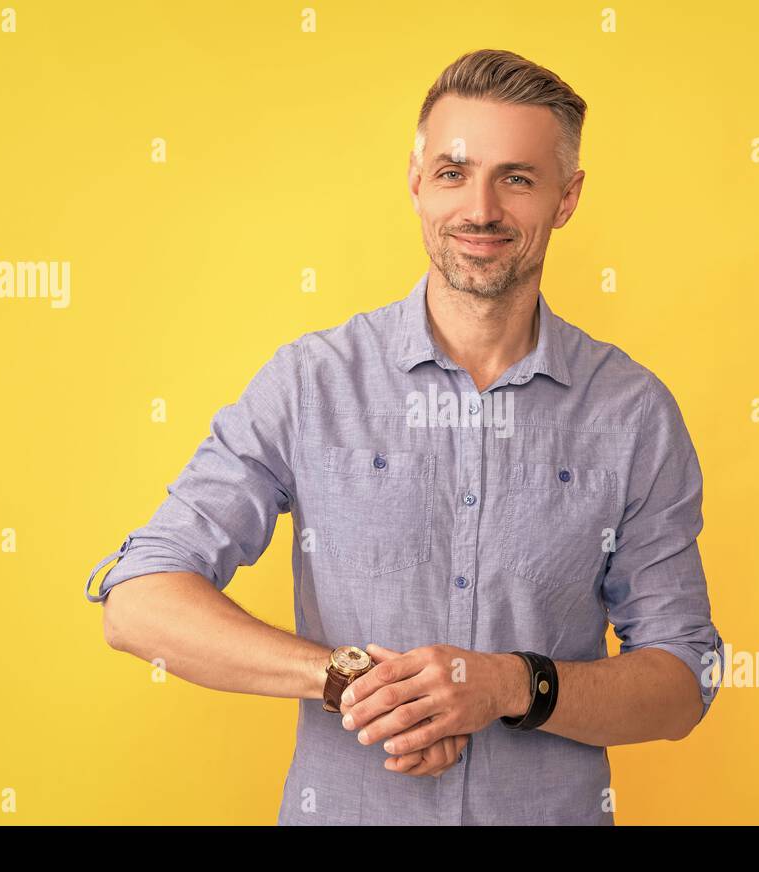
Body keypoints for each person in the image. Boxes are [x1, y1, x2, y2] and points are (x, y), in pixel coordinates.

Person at [84, 48, 724, 825]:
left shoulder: (633, 413)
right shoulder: (310, 383)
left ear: (566, 197)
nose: (480, 208)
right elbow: (139, 601)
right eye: (454, 173)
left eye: (516, 177)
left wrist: (511, 684)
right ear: (417, 183)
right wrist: (350, 680)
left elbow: (684, 679)